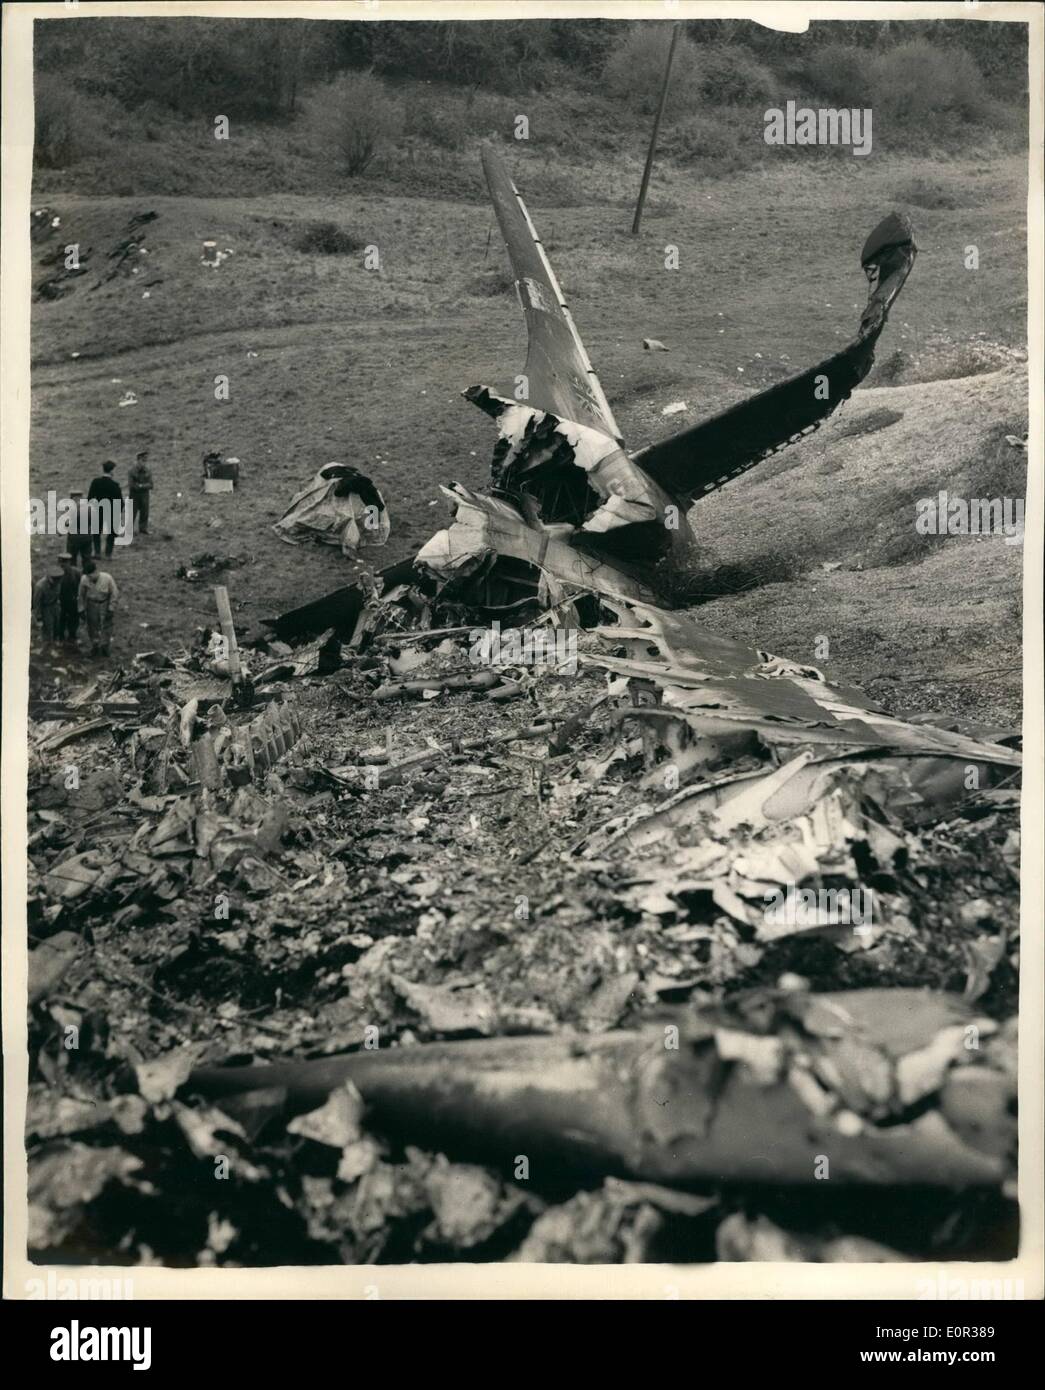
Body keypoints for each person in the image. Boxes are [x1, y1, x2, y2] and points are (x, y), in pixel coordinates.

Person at [78, 558, 119, 656]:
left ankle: (105, 647)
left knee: (107, 625)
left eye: (91, 575)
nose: (89, 577)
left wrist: (111, 609)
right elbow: (80, 595)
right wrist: (81, 609)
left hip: (104, 604)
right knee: (92, 626)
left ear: (96, 571)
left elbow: (115, 594)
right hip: (91, 604)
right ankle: (95, 645)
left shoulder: (107, 578)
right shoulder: (84, 579)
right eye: (88, 575)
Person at [87, 460, 123, 557]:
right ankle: (108, 553)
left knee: (96, 532)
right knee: (112, 532)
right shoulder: (115, 485)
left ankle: (97, 552)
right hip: (111, 512)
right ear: (111, 471)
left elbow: (90, 498)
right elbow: (120, 502)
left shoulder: (96, 482)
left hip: (98, 510)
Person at [33, 566, 63, 642]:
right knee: (48, 628)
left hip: (55, 606)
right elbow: (37, 603)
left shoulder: (58, 582)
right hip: (45, 608)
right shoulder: (40, 586)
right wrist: (38, 617)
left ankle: (55, 642)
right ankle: (48, 647)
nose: (57, 582)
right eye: (55, 579)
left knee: (57, 625)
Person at [65, 489, 92, 567]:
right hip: (87, 536)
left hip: (74, 537)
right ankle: (87, 574)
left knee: (72, 558)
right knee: (87, 558)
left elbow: (67, 523)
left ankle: (74, 575)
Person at [128, 449, 153, 534]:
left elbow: (151, 485)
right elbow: (132, 485)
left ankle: (143, 529)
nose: (144, 463)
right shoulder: (132, 471)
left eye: (145, 461)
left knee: (145, 512)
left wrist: (140, 486)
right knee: (132, 513)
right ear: (138, 460)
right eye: (143, 461)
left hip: (144, 495)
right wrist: (143, 486)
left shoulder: (148, 471)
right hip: (134, 495)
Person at [57, 554, 80, 644]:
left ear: (69, 562)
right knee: (61, 618)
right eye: (61, 562)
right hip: (61, 600)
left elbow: (81, 585)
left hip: (73, 600)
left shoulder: (76, 572)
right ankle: (60, 635)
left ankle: (72, 635)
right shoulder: (56, 573)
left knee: (74, 618)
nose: (63, 565)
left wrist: (78, 597)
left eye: (65, 562)